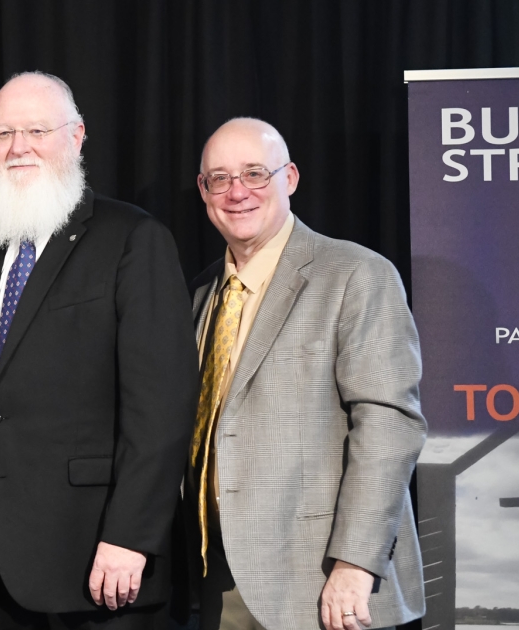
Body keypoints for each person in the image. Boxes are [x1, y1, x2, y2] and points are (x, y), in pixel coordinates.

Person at [0, 72, 197, 630]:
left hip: (104, 565)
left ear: (76, 137)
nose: (16, 147)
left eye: (35, 130)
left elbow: (162, 408)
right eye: (1, 134)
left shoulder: (132, 239)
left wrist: (131, 535)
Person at [182, 117, 426, 630]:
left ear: (289, 178)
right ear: (204, 190)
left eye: (254, 173)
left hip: (326, 587)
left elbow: (389, 426)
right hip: (220, 584)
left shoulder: (356, 274)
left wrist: (355, 563)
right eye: (219, 178)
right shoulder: (203, 293)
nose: (237, 192)